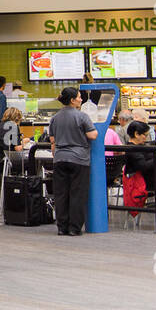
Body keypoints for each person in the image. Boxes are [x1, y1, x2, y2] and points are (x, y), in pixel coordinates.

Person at [46, 86, 97, 236]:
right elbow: (93, 135)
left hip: (60, 158)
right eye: (80, 97)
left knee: (61, 194)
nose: (81, 99)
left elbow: (52, 140)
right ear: (73, 100)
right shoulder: (82, 116)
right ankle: (74, 228)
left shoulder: (55, 118)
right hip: (79, 159)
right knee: (77, 193)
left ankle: (61, 227)